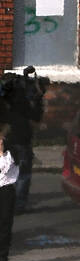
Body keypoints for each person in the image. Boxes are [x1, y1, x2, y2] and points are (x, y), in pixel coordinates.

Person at [0, 65, 45, 211]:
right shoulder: (24, 101)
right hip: (21, 139)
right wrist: (38, 98)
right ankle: (18, 205)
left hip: (5, 139)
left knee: (5, 173)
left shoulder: (6, 100)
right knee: (23, 174)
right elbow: (36, 116)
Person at [0, 130, 19, 261]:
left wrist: (1, 152)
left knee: (5, 224)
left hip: (6, 191)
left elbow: (5, 169)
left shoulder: (10, 156)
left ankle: (3, 258)